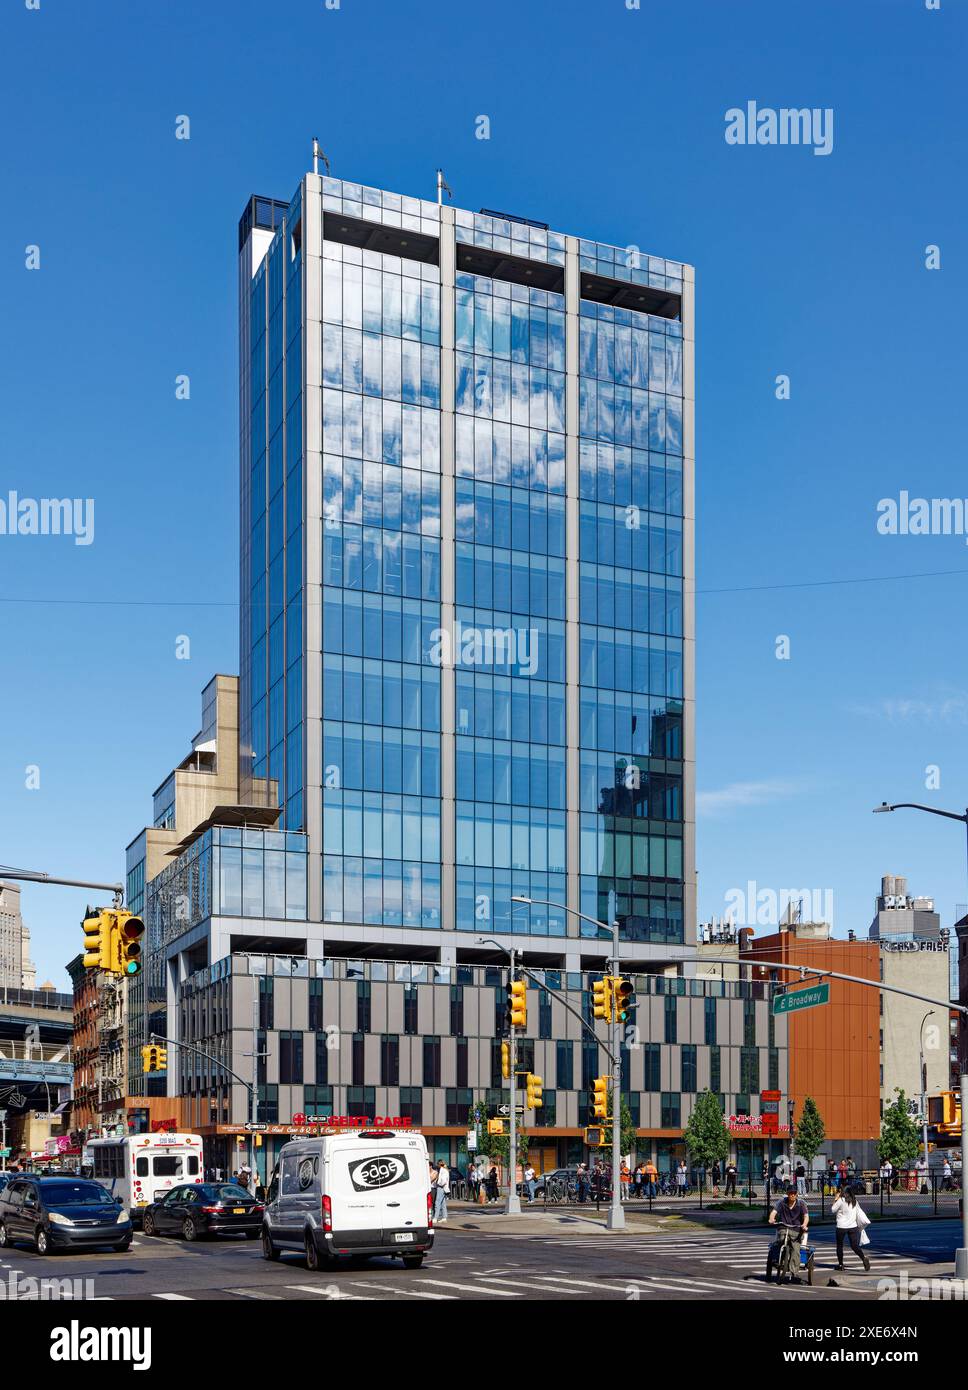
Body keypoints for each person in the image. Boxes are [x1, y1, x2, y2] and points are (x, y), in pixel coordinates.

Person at [767, 1184, 810, 1281]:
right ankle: (778, 1259)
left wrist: (804, 1224)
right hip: (783, 1227)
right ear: (787, 1194)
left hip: (796, 1229)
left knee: (796, 1249)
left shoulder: (801, 1203)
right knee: (780, 1240)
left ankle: (794, 1271)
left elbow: (806, 1216)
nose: (792, 1195)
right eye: (791, 1193)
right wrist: (771, 1219)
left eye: (794, 1193)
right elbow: (774, 1212)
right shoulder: (781, 1202)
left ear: (797, 1194)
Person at [831, 1185, 871, 1272]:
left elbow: (833, 1210)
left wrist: (835, 1199)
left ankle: (841, 1265)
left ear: (844, 1193)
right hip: (853, 1226)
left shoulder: (841, 1200)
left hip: (841, 1226)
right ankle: (863, 1258)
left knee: (839, 1246)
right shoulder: (854, 1201)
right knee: (854, 1245)